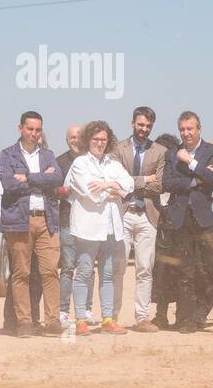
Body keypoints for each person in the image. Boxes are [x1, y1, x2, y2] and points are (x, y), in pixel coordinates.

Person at [162, 111, 213, 334]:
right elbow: (168, 183)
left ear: (199, 129)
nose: (186, 133)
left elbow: (212, 178)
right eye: (182, 129)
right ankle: (188, 320)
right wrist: (194, 180)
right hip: (182, 220)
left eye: (190, 129)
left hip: (207, 220)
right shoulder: (172, 154)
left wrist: (190, 161)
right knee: (185, 272)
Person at [0, 111, 65, 337]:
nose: (34, 133)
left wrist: (26, 177)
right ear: (20, 129)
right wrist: (40, 178)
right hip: (19, 219)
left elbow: (57, 178)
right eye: (30, 129)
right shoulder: (8, 155)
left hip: (46, 219)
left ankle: (53, 321)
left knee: (50, 271)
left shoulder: (48, 155)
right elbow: (8, 183)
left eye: (38, 130)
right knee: (21, 273)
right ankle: (24, 322)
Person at [68, 121, 135, 335]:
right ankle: (80, 319)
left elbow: (129, 185)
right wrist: (115, 189)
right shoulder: (79, 164)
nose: (99, 143)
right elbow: (91, 194)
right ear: (88, 140)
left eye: (103, 140)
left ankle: (108, 318)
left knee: (108, 274)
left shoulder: (113, 163)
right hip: (87, 226)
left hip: (110, 226)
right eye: (96, 139)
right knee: (85, 272)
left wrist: (107, 185)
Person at [112, 106, 166, 332]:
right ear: (133, 123)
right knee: (118, 267)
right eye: (140, 124)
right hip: (122, 214)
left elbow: (160, 184)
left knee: (145, 268)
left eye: (148, 126)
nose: (144, 129)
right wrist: (146, 178)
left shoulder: (160, 151)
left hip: (147, 216)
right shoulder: (117, 149)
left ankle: (142, 317)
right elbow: (115, 180)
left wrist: (131, 182)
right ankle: (111, 316)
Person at [150, 133, 182, 329]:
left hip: (175, 224)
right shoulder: (154, 173)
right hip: (159, 224)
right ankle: (161, 315)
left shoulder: (177, 171)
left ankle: (180, 315)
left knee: (178, 271)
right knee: (160, 272)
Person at [55, 124, 84, 327]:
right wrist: (67, 191)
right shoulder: (59, 162)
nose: (75, 140)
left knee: (87, 270)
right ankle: (63, 311)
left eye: (79, 136)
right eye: (72, 137)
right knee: (67, 268)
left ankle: (85, 311)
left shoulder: (91, 160)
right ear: (67, 140)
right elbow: (53, 189)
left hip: (89, 223)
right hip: (66, 221)